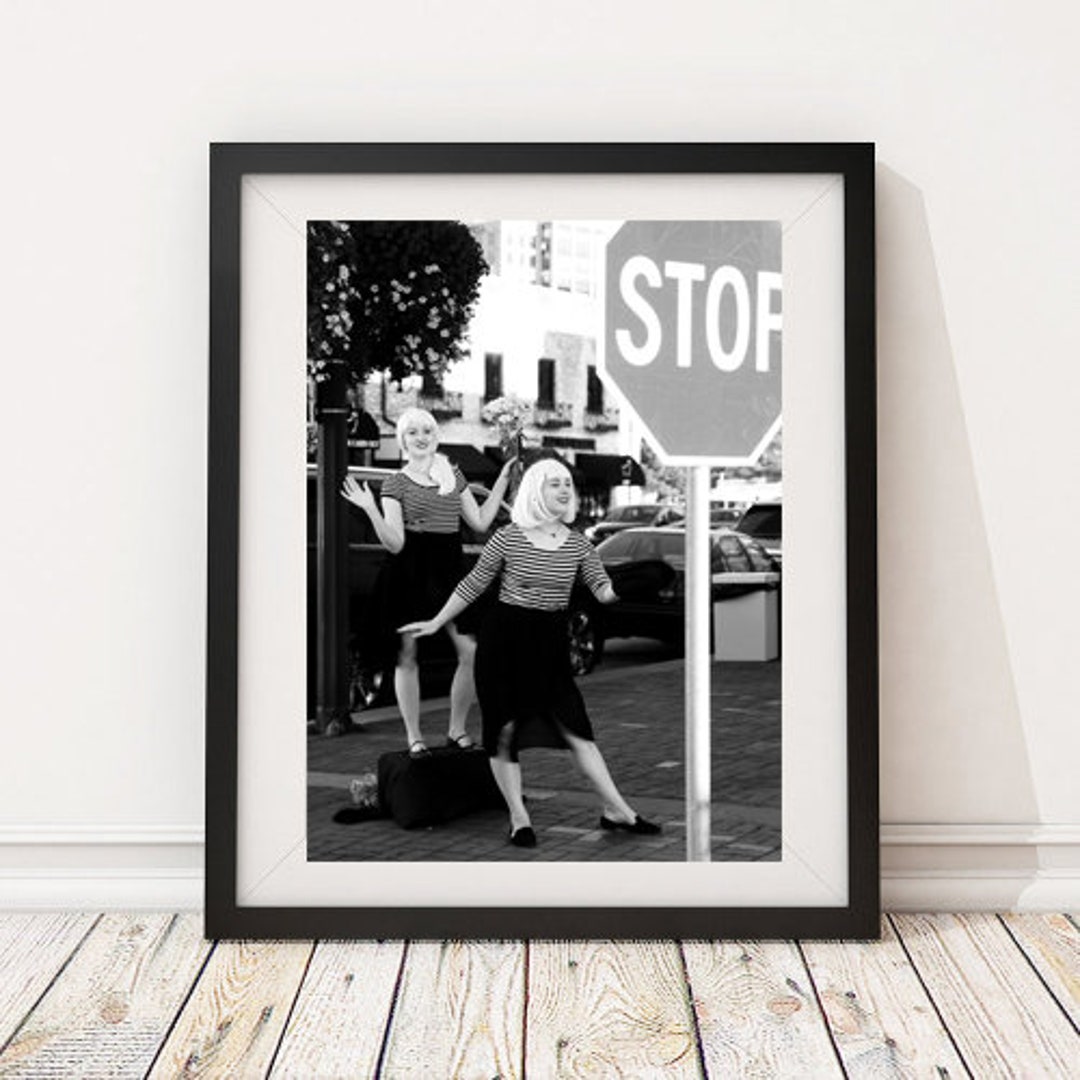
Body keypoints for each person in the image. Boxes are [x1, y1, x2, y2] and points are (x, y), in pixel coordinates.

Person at [400, 458, 661, 848]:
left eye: (567, 485)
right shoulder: (508, 537)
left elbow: (603, 591)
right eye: (554, 483)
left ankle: (617, 810)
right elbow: (474, 583)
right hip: (503, 644)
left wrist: (633, 584)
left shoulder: (578, 544)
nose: (563, 490)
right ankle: (519, 818)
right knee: (502, 732)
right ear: (536, 490)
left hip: (550, 647)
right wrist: (437, 622)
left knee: (579, 732)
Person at [341, 407, 514, 757]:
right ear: (403, 440)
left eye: (427, 432)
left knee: (471, 652)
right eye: (413, 433)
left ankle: (456, 730)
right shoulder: (395, 483)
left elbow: (480, 522)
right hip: (408, 572)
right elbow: (396, 543)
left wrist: (502, 482)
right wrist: (371, 508)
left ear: (436, 437)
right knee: (407, 655)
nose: (421, 438)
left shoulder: (452, 474)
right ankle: (414, 737)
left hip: (448, 570)